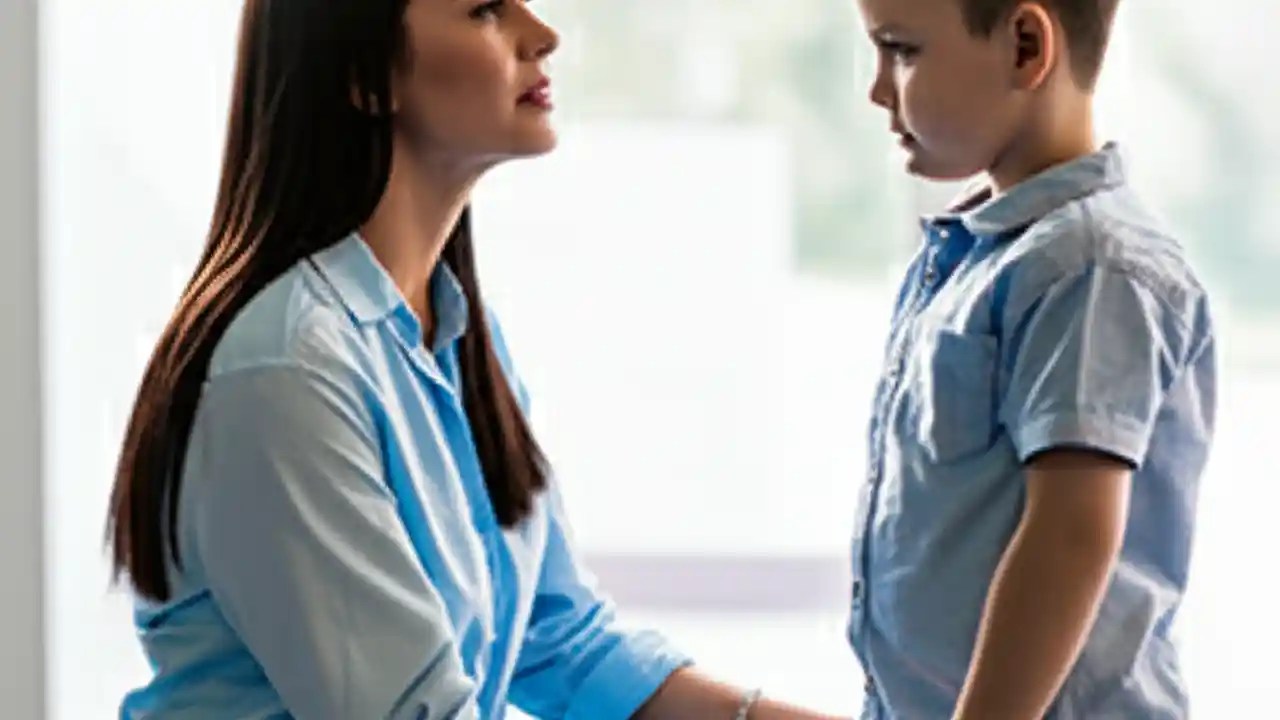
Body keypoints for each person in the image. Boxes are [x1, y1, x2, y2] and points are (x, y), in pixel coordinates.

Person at [106, 1, 848, 718]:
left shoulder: (454, 332)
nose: (545, 34)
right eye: (488, 9)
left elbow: (563, 646)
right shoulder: (286, 371)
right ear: (367, 77)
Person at [848, 0, 1215, 717]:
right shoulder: (974, 260)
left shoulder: (1092, 266)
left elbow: (1071, 533)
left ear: (1024, 46)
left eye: (901, 51)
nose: (877, 89)